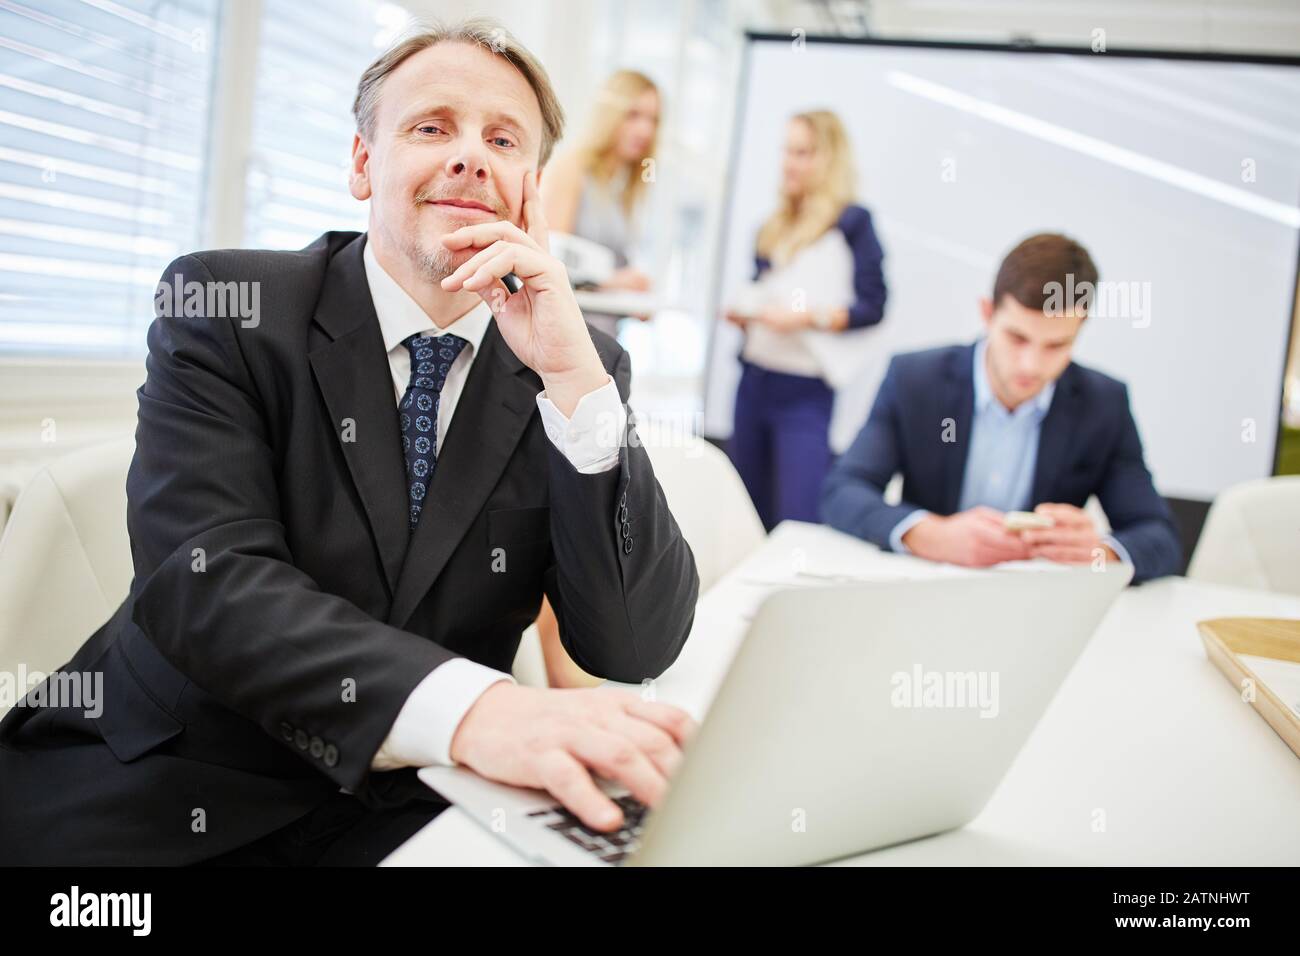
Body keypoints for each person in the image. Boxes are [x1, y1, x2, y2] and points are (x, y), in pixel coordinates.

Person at [0, 18, 699, 866]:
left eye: (502, 139)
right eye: (432, 127)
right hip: (177, 787)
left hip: (410, 805)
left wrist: (576, 381)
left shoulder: (576, 364)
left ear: (531, 189)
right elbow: (208, 588)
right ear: (364, 164)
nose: (470, 156)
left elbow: (633, 642)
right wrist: (482, 712)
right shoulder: (226, 304)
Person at [821, 233, 1181, 583]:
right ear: (987, 312)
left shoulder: (1104, 403)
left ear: (1081, 328)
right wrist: (930, 535)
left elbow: (1159, 536)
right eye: (1017, 338)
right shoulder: (915, 380)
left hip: (1036, 607)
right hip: (926, 590)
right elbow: (842, 491)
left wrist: (1101, 552)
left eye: (1056, 345)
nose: (1031, 366)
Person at [724, 110, 886, 531]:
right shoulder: (773, 226)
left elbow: (873, 306)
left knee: (797, 518)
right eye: (787, 151)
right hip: (754, 383)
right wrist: (747, 315)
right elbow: (758, 288)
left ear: (829, 159)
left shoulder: (853, 224)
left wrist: (806, 317)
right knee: (744, 516)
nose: (790, 162)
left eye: (804, 152)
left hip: (805, 394)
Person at [541, 69, 660, 338]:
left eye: (653, 120)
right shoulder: (572, 169)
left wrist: (633, 294)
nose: (645, 130)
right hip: (566, 336)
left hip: (604, 336)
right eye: (634, 115)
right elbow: (548, 261)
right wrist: (614, 284)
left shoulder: (624, 187)